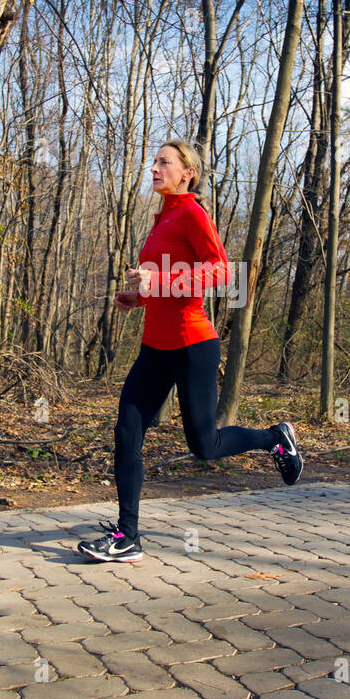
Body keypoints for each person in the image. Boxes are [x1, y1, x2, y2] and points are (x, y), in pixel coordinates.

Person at [78, 140, 303, 564]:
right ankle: (127, 535)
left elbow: (220, 270)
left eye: (164, 162)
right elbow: (163, 283)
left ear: (187, 173)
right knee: (127, 431)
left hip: (193, 346)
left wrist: (156, 284)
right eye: (154, 162)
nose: (154, 168)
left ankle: (276, 438)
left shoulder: (193, 214)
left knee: (205, 445)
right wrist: (138, 297)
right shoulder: (160, 219)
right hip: (154, 348)